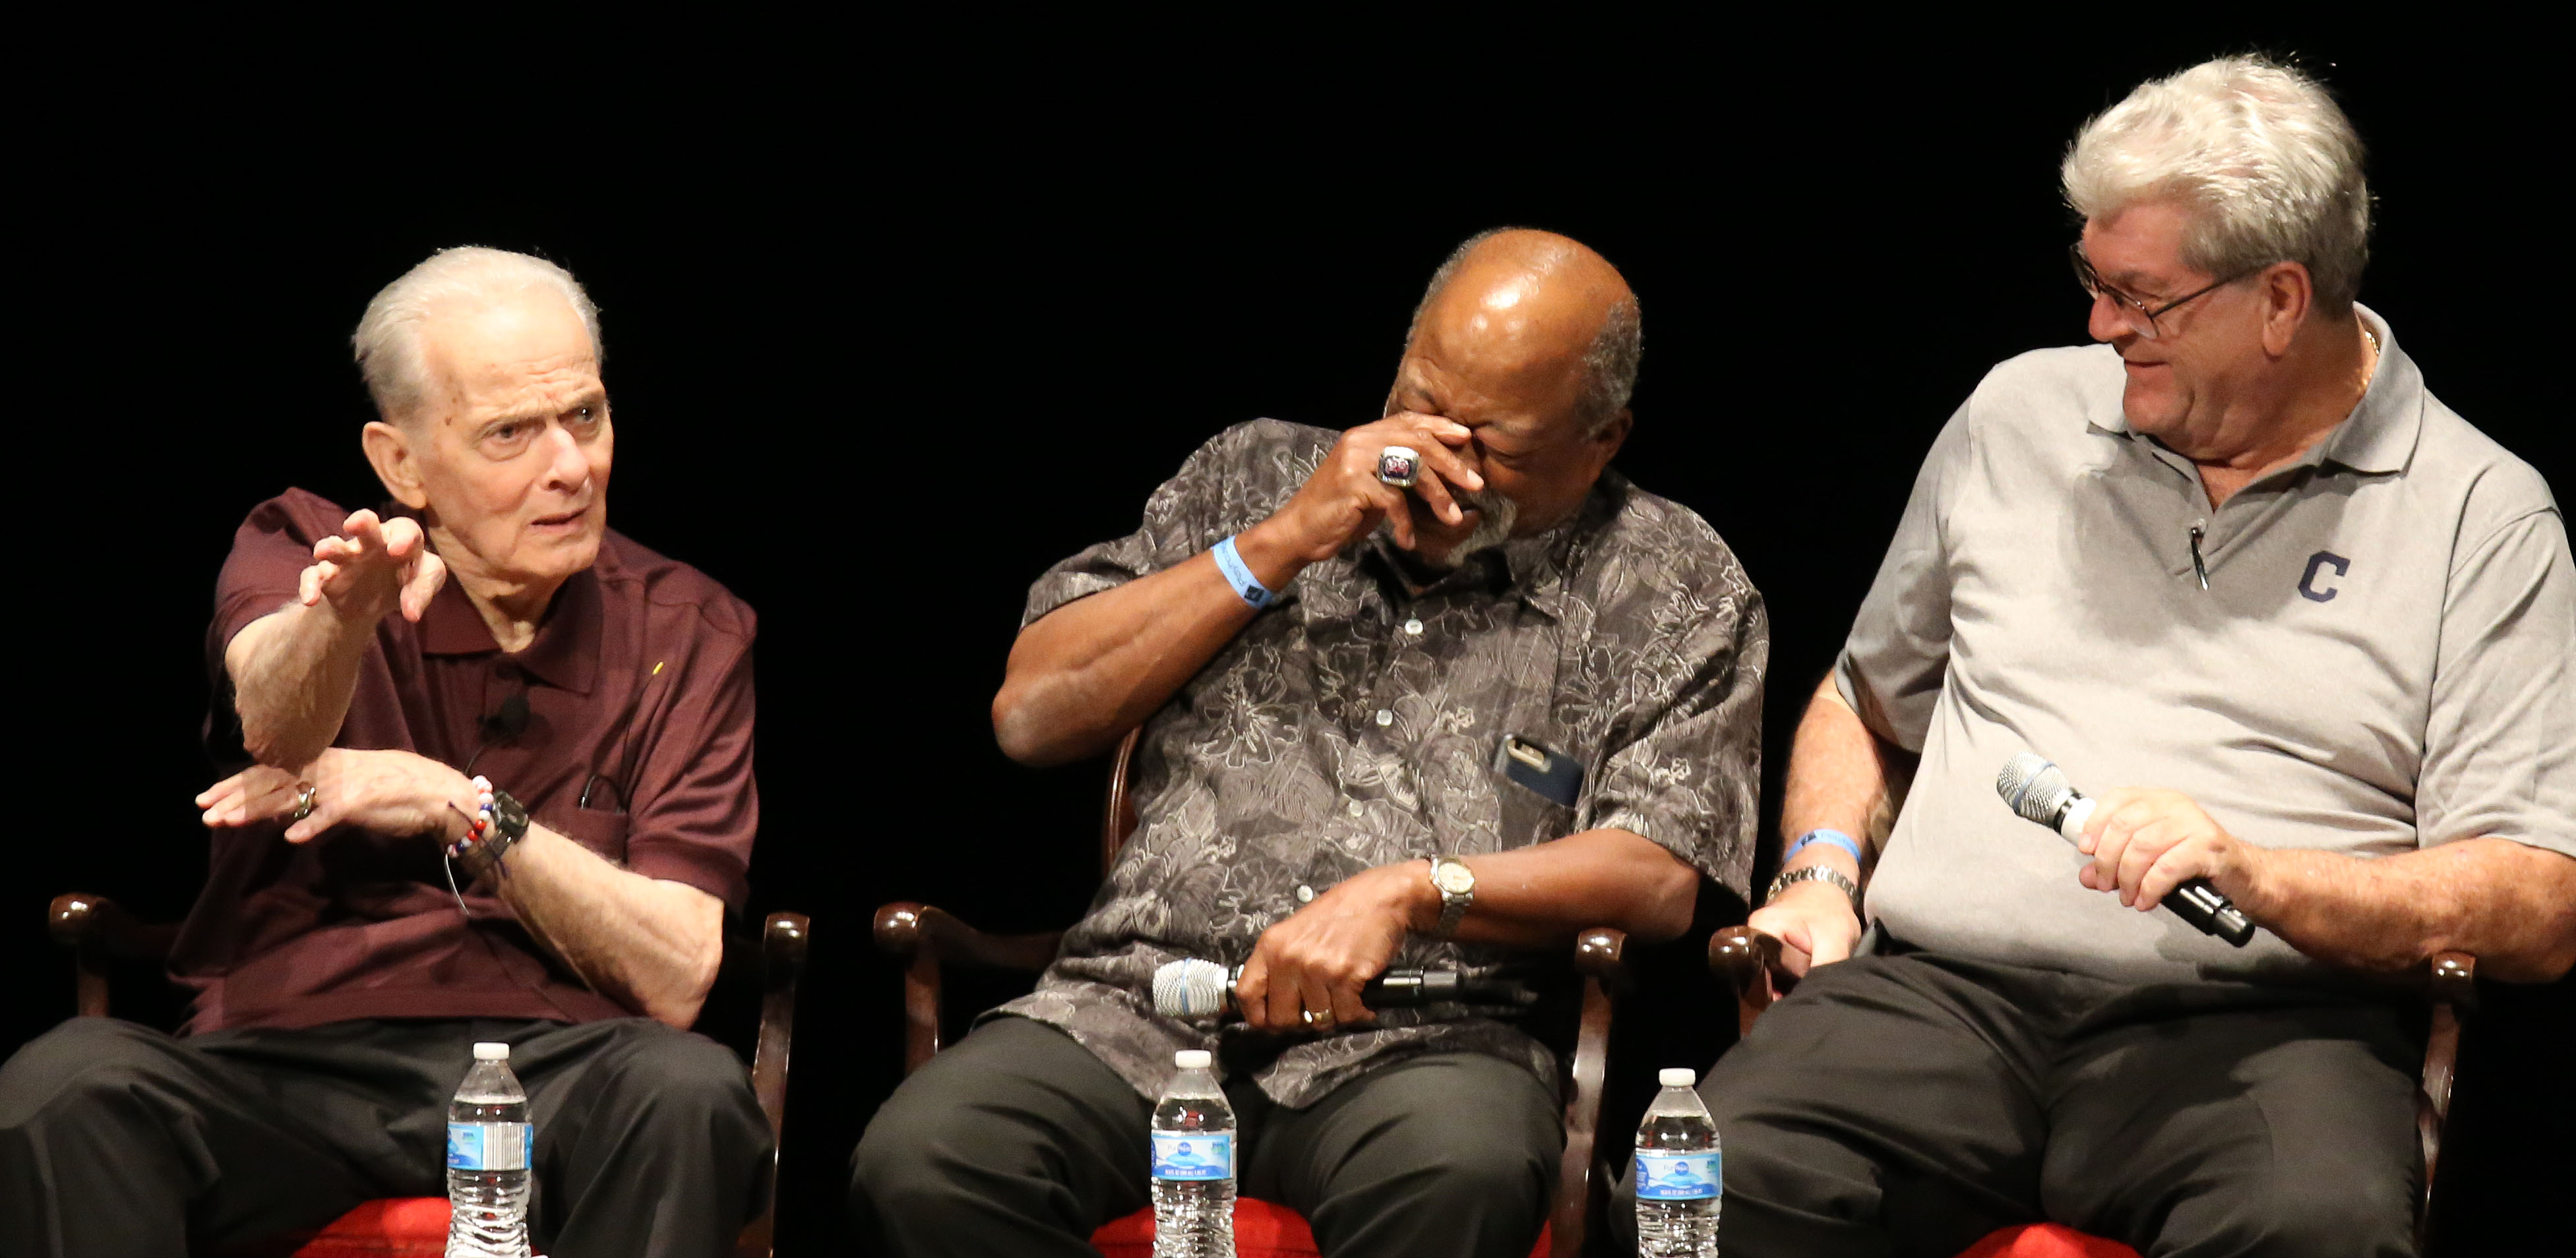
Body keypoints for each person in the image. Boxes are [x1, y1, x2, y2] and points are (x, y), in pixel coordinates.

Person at [1621, 57, 2576, 1258]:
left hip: (2265, 1030)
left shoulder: (2479, 514)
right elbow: (1862, 702)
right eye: (2092, 279)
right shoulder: (2015, 414)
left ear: (2280, 300)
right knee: (1688, 1198)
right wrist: (1818, 871)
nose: (2099, 323)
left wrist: (2263, 876)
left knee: (2315, 1232)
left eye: (2144, 296)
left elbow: (2537, 902)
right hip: (1940, 1000)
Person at [850, 228, 1767, 1257]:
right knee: (929, 1155)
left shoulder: (1670, 581)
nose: (1438, 463)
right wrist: (1281, 540)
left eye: (1491, 444)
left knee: (1459, 1174)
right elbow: (1031, 716)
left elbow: (1657, 877)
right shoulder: (1253, 473)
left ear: (1602, 440)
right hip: (1136, 1012)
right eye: (1420, 405)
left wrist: (1414, 889)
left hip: (1431, 1043)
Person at [0, 247, 773, 1257]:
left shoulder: (690, 627)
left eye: (584, 416)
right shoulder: (311, 548)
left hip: (568, 1069)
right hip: (288, 1068)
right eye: (510, 433)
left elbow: (677, 973)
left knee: (693, 1093)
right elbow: (274, 718)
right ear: (401, 461)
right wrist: (343, 621)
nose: (571, 467)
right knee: (64, 1087)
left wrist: (459, 805)